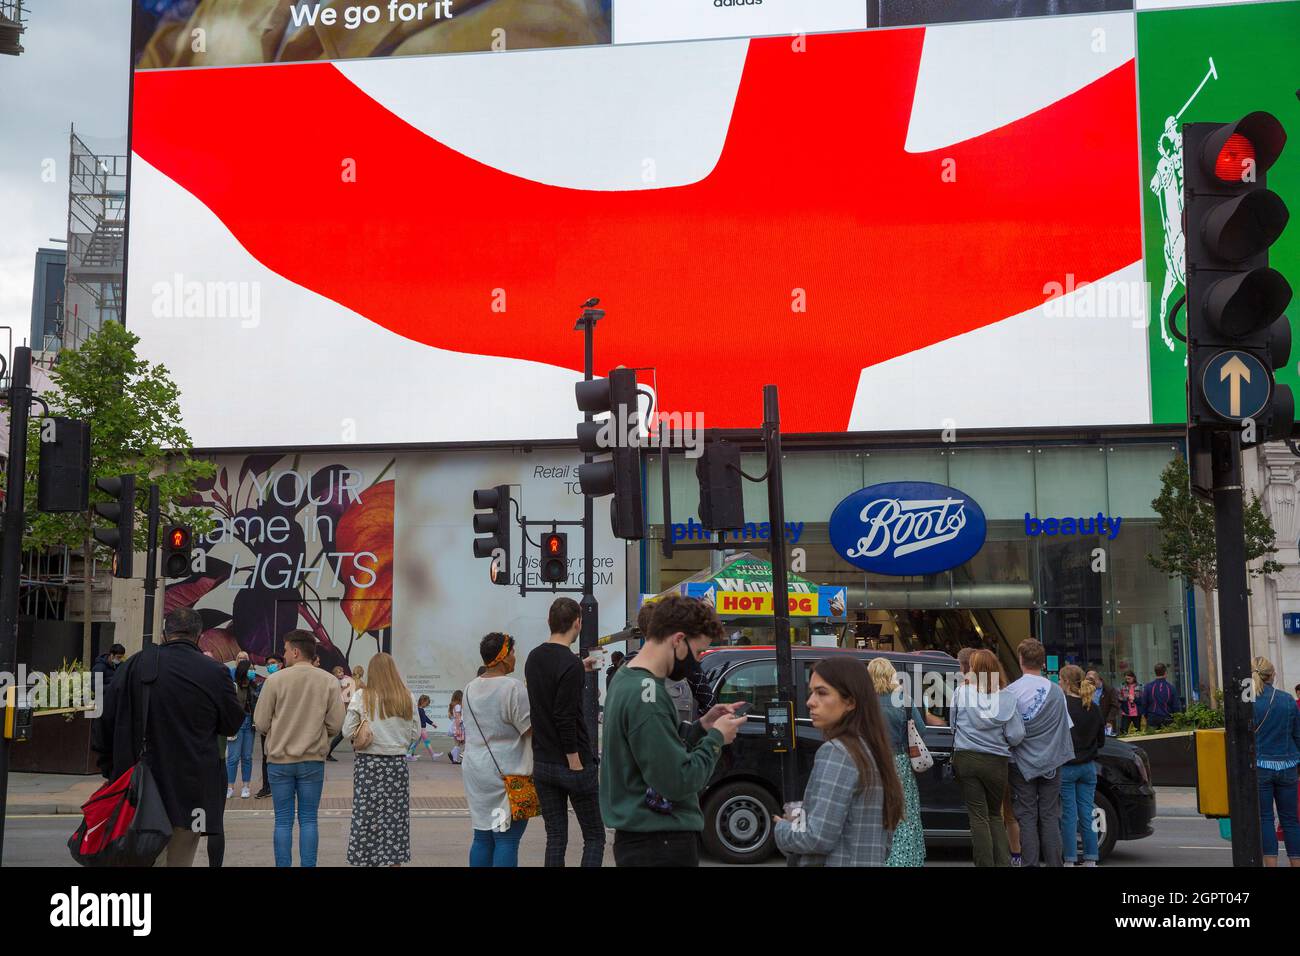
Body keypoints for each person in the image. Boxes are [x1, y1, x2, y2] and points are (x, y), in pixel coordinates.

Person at [91, 608, 244, 867]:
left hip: (137, 789)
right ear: (198, 636)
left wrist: (111, 771)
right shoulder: (214, 672)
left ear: (164, 633)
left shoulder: (133, 666)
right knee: (179, 859)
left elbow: (104, 722)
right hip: (192, 791)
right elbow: (231, 724)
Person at [600, 595, 746, 867]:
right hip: (659, 842)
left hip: (645, 840)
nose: (698, 661)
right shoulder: (649, 695)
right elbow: (677, 781)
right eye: (699, 651)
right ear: (678, 640)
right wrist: (716, 739)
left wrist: (702, 727)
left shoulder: (627, 679)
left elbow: (655, 744)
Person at [774, 656, 903, 866]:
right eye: (811, 692)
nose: (810, 701)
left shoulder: (838, 752)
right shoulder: (874, 750)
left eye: (822, 692)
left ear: (851, 701)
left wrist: (782, 828)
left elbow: (818, 837)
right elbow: (885, 841)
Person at [254, 630, 346, 867]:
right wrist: (320, 736)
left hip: (279, 761)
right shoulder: (328, 681)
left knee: (283, 821)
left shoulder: (274, 681)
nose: (283, 656)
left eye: (285, 650)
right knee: (308, 820)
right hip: (312, 760)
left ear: (295, 651)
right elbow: (337, 723)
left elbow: (261, 722)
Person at [526, 597, 605, 867]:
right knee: (594, 835)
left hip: (543, 762)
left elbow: (548, 690)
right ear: (577, 623)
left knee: (556, 837)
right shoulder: (570, 663)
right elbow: (564, 715)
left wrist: (579, 669)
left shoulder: (534, 657)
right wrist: (573, 755)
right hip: (573, 762)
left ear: (550, 622)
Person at [463, 633, 534, 867]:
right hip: (506, 772)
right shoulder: (512, 687)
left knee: (482, 836)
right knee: (507, 839)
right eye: (512, 652)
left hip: (476, 770)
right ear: (503, 656)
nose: (515, 657)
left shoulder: (470, 688)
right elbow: (530, 729)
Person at [344, 652, 420, 867]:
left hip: (368, 765)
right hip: (396, 765)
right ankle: (393, 862)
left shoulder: (362, 696)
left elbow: (347, 729)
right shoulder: (407, 696)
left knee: (366, 819)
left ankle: (367, 861)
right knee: (394, 821)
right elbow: (415, 734)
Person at [951, 650, 1025, 867]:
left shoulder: (961, 693)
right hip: (996, 761)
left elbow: (953, 724)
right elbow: (1016, 734)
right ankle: (1003, 862)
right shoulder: (1006, 697)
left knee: (978, 817)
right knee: (995, 815)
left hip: (966, 758)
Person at [1006, 639, 1075, 867]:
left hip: (1021, 764)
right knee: (1049, 816)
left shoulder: (1011, 692)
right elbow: (1066, 727)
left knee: (1026, 816)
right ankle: (1055, 863)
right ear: (1043, 662)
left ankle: (1030, 863)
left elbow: (1007, 731)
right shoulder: (1056, 692)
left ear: (1021, 660)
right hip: (1051, 764)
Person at [869, 657, 942, 866]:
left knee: (876, 812)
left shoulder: (864, 702)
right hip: (900, 762)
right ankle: (904, 859)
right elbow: (922, 729)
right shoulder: (903, 699)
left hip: (873, 762)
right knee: (904, 814)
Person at [1251, 657, 1300, 866]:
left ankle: (1270, 864)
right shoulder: (1288, 699)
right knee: (1290, 820)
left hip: (1261, 765)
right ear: (1273, 675)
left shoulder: (1250, 701)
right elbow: (1297, 735)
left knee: (1265, 819)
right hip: (1288, 765)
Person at [1060, 665, 1106, 866]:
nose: (1059, 684)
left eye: (1061, 681)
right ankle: (1091, 859)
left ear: (1067, 683)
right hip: (1089, 767)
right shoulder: (1093, 707)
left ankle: (1069, 859)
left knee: (1069, 816)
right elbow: (1101, 741)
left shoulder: (1063, 706)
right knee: (1087, 814)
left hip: (1067, 767)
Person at [225, 659, 258, 799]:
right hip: (236, 723)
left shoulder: (254, 686)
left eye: (253, 669)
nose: (252, 671)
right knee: (233, 757)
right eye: (250, 669)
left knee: (247, 757)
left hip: (250, 723)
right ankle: (230, 786)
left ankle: (246, 786)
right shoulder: (234, 686)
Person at [254, 654, 284, 799]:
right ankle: (267, 786)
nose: (269, 666)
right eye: (268, 664)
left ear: (280, 665)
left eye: (273, 663)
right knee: (266, 758)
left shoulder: (286, 681)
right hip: (267, 728)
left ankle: (280, 786)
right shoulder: (265, 683)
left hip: (282, 727)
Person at [326, 664, 359, 761]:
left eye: (342, 672)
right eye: (339, 672)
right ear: (335, 674)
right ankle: (357, 755)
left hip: (345, 710)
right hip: (342, 711)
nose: (342, 674)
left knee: (347, 733)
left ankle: (357, 754)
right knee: (346, 733)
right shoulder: (336, 683)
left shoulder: (345, 681)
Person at [1140, 663, 1181, 730]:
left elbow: (1144, 703)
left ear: (1155, 673)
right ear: (1165, 673)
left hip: (1152, 718)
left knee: (1152, 739)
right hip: (1167, 718)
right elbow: (1176, 705)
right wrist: (1177, 718)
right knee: (1168, 739)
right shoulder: (1171, 687)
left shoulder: (1148, 686)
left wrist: (1145, 715)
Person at [407, 694, 443, 761]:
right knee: (425, 742)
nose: (427, 705)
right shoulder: (419, 710)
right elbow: (421, 719)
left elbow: (425, 718)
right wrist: (432, 724)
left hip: (421, 729)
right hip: (421, 729)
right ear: (423, 701)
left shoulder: (420, 710)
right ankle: (432, 755)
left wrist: (432, 723)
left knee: (416, 742)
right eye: (427, 703)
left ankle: (410, 754)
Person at [1088, 669, 1120, 736]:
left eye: (1092, 681)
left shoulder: (1109, 690)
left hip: (1106, 721)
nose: (1091, 683)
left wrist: (1110, 720)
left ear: (1098, 679)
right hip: (1092, 721)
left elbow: (1115, 706)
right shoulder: (1087, 690)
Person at [448, 689, 465, 764]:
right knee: (459, 743)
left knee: (458, 743)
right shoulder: (458, 706)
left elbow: (452, 717)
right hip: (458, 727)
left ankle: (454, 757)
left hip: (455, 726)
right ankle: (455, 757)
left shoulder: (453, 705)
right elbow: (458, 717)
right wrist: (458, 729)